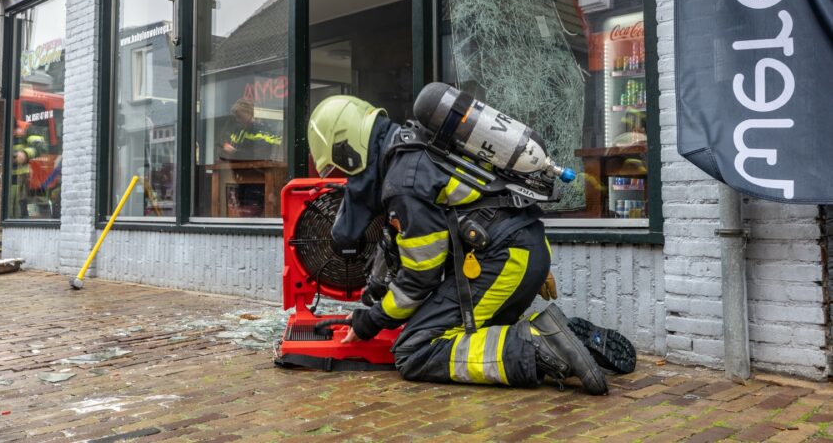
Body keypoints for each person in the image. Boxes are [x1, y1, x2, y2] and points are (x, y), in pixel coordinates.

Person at [307, 95, 634, 393]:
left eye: (342, 171)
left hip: (505, 260)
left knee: (415, 349)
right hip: (520, 253)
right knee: (468, 335)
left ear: (347, 150)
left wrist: (372, 320)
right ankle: (571, 337)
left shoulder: (403, 180)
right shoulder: (414, 145)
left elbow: (419, 279)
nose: (348, 183)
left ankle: (542, 345)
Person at [216, 98, 282, 162]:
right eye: (235, 117)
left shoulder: (263, 132)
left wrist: (233, 152)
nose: (237, 120)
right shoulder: (240, 131)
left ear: (249, 113)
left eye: (239, 116)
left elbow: (258, 156)